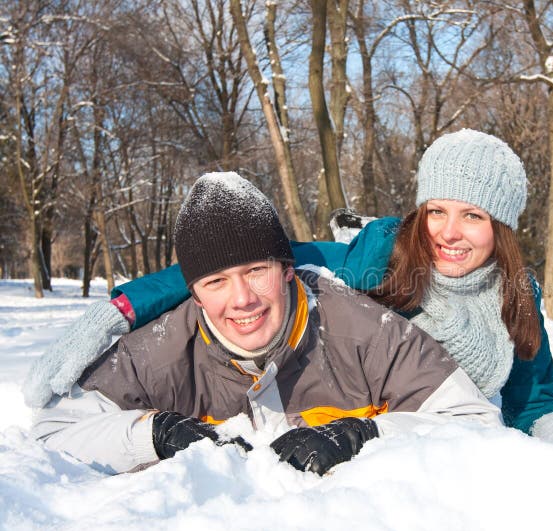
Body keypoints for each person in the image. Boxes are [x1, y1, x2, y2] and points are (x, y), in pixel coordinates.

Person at [25, 130, 553, 447]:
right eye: (436, 210)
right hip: (363, 387)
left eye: (473, 217)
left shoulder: (518, 292)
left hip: (424, 414)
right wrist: (121, 308)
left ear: (503, 227)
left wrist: (548, 423)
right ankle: (350, 226)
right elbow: (255, 265)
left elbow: (530, 391)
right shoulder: (385, 257)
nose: (448, 234)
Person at [29, 172, 503, 475]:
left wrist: (363, 436)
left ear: (286, 270)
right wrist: (152, 433)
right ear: (193, 294)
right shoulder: (160, 350)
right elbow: (53, 434)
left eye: (257, 272)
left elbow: (476, 420)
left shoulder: (364, 329)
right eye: (216, 281)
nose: (241, 300)